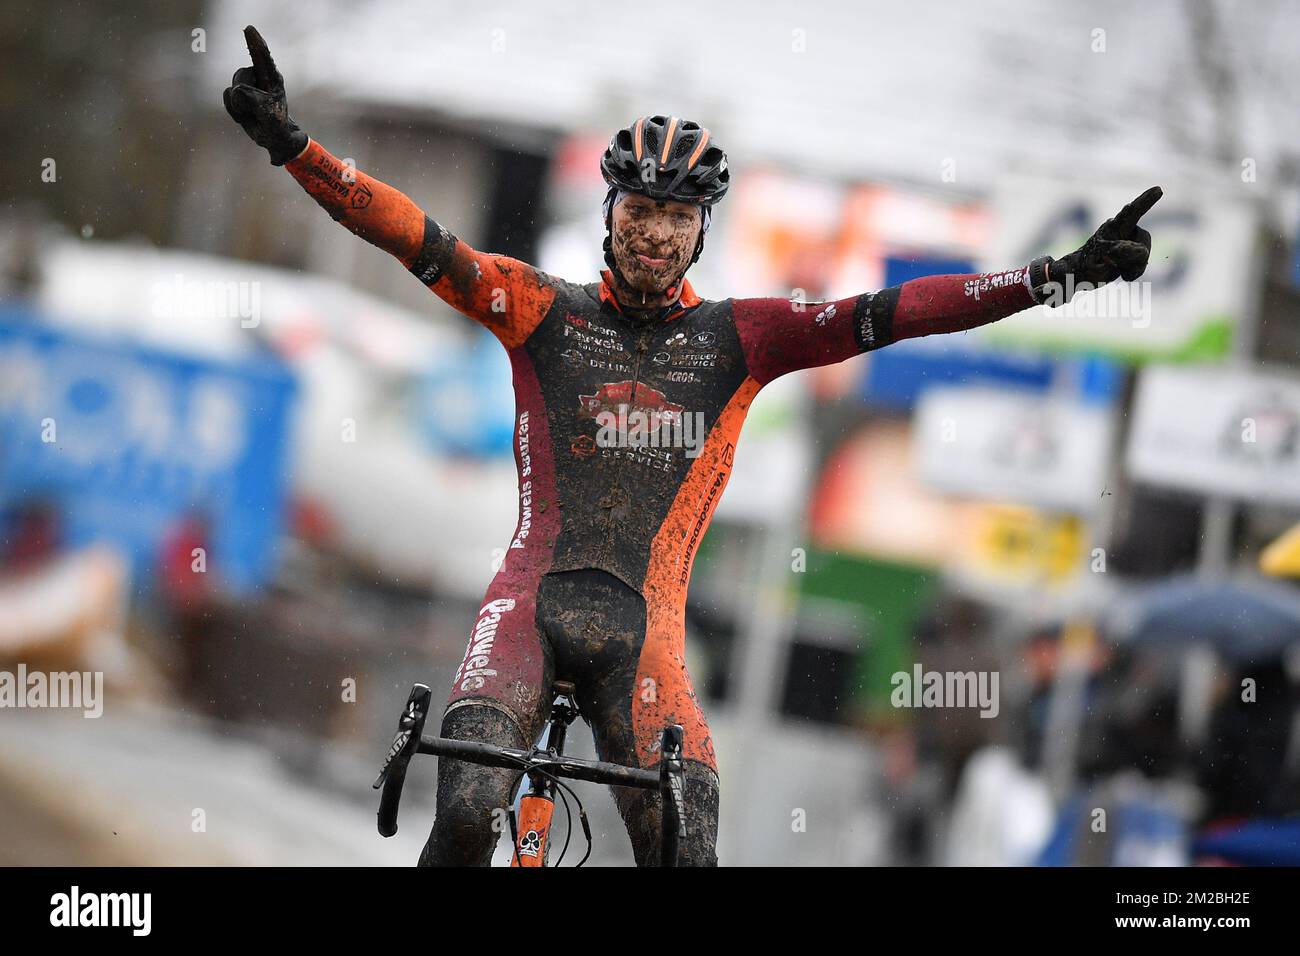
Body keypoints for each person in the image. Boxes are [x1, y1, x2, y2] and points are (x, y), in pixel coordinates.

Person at [224, 25, 1161, 866]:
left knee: (687, 847)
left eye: (677, 216)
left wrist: (1053, 277)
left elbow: (898, 312)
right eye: (639, 209)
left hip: (649, 635)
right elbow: (415, 237)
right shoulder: (539, 308)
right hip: (528, 608)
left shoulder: (744, 337)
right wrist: (293, 147)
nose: (655, 232)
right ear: (611, 212)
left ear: (702, 229)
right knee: (468, 810)